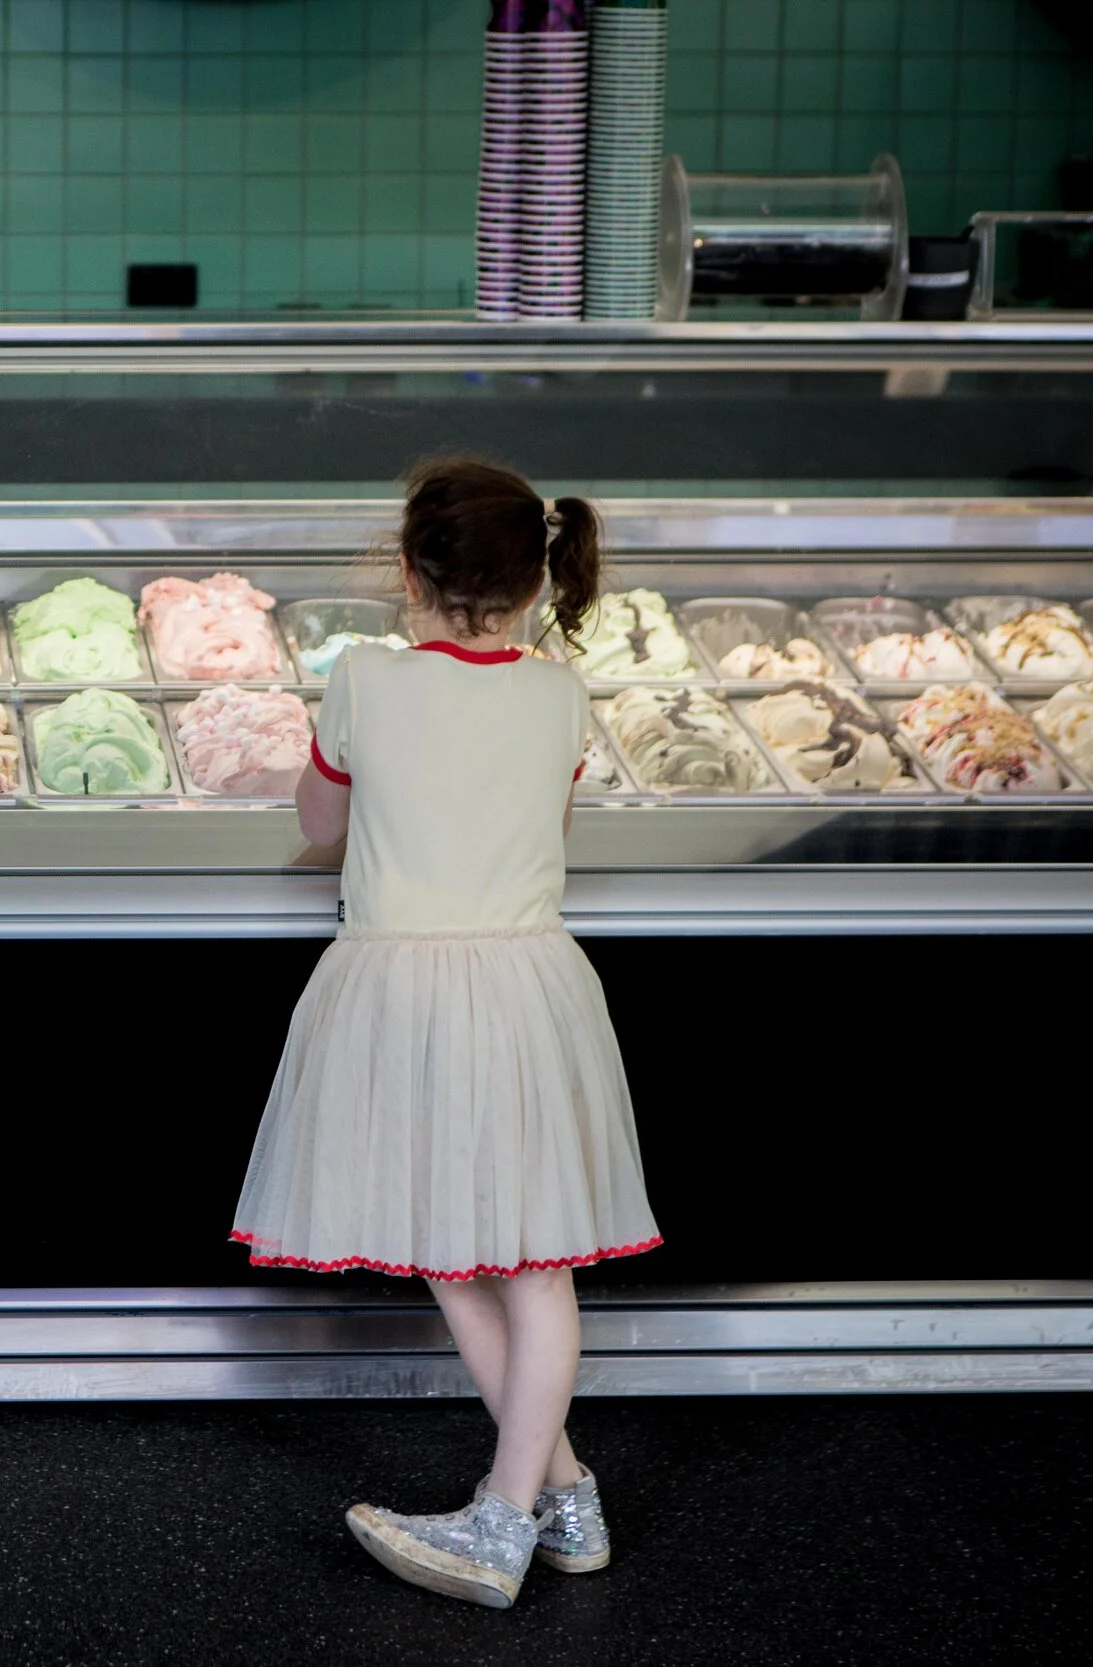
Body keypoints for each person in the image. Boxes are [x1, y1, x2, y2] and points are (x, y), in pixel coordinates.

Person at [229, 456, 660, 1610]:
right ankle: (561, 1495)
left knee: (471, 1249)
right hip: (529, 982)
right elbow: (539, 824)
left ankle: (503, 1518)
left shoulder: (365, 680)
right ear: (532, 581)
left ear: (410, 573)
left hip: (400, 984)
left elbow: (320, 825)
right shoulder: (561, 694)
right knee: (518, 1253)